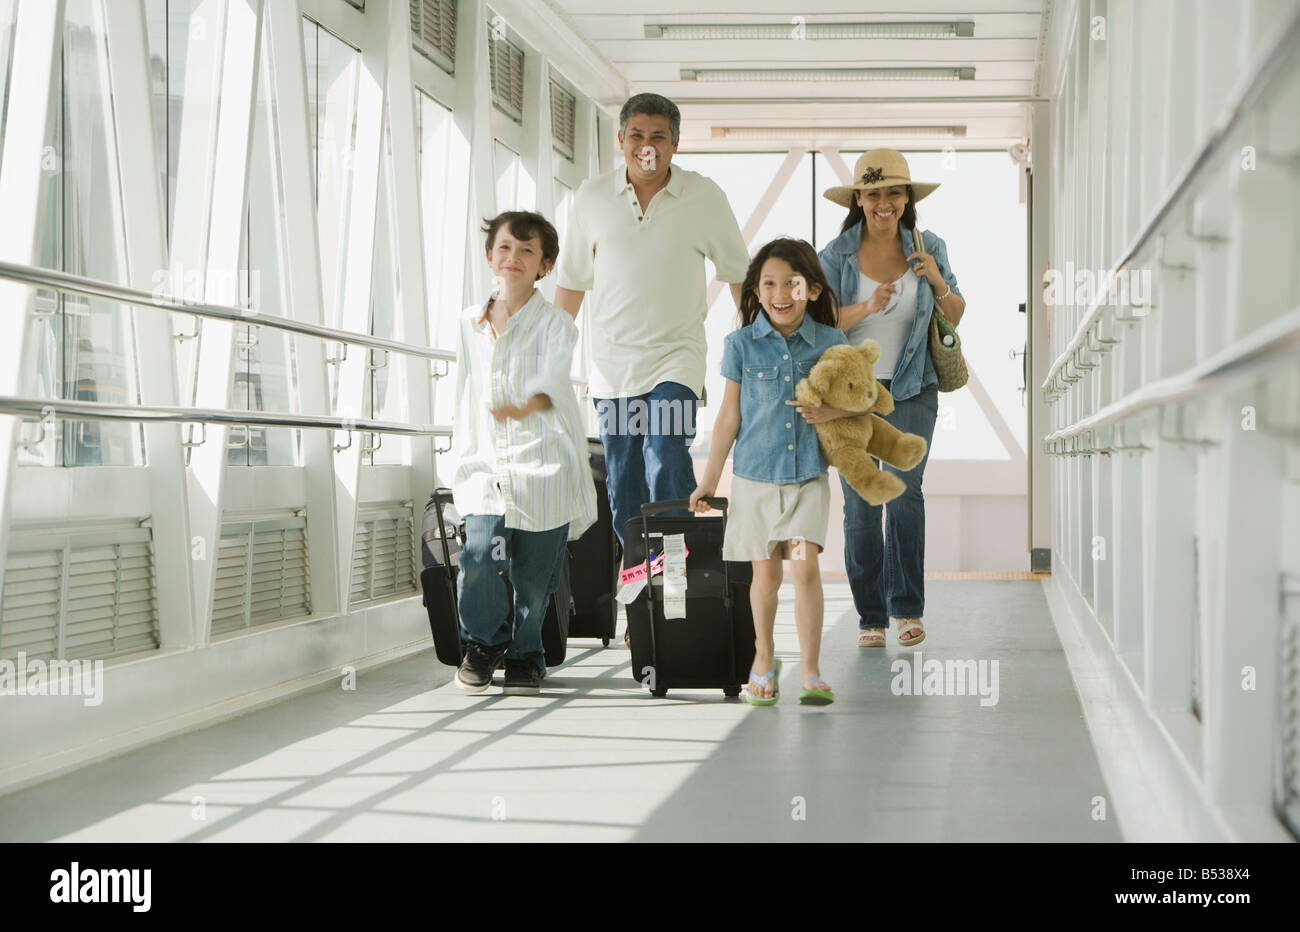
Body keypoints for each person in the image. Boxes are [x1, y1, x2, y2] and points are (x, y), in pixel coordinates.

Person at [554, 93, 750, 647]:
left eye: (659, 136)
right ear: (620, 141)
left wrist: (758, 344)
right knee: (622, 480)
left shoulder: (704, 197)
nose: (647, 146)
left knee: (665, 450)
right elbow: (569, 287)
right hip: (611, 370)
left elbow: (738, 274)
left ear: (675, 144)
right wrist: (545, 359)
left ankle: (675, 567)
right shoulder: (591, 199)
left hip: (676, 360)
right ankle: (638, 566)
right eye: (636, 135)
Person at [690, 238, 864, 706]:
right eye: (769, 283)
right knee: (764, 578)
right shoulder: (740, 345)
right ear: (756, 291)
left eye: (791, 282)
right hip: (754, 479)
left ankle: (811, 670)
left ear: (810, 288)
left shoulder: (832, 341)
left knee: (805, 570)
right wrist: (708, 480)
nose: (780, 292)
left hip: (807, 476)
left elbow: (856, 405)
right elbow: (729, 418)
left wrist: (829, 411)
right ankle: (763, 659)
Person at [815, 149, 965, 649]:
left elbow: (956, 314)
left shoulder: (930, 245)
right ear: (858, 199)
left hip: (912, 387)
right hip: (852, 397)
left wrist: (936, 278)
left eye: (894, 193)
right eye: (874, 193)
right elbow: (819, 327)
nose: (884, 202)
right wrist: (867, 306)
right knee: (861, 506)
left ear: (907, 198)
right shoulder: (834, 255)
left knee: (903, 494)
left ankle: (906, 610)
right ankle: (871, 617)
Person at [448, 211, 597, 694]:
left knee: (534, 576)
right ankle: (482, 644)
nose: (514, 258)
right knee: (478, 556)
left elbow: (552, 383)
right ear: (490, 255)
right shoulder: (467, 325)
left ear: (545, 266)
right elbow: (459, 392)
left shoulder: (557, 325)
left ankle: (526, 652)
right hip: (484, 465)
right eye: (505, 248)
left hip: (543, 464)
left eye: (527, 251)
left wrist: (523, 406)